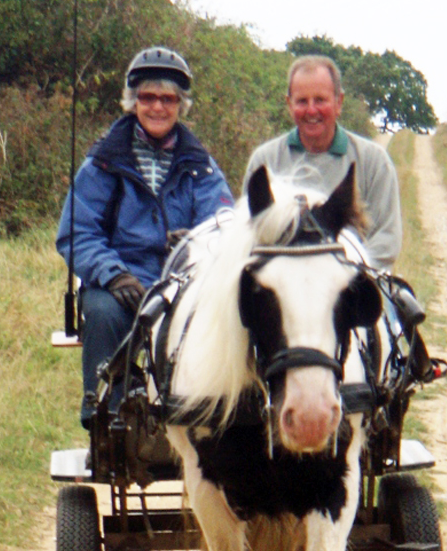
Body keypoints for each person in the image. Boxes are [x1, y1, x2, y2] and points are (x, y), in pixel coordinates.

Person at [56, 46, 234, 426]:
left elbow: (224, 226)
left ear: (180, 104)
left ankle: (207, 412)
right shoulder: (102, 162)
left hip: (184, 283)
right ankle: (106, 414)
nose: (157, 107)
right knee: (102, 312)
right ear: (133, 101)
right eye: (148, 97)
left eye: (167, 98)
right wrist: (113, 273)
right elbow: (76, 232)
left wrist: (193, 246)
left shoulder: (202, 167)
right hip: (121, 284)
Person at [243, 55, 402, 270]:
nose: (311, 110)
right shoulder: (263, 162)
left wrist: (340, 275)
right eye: (302, 101)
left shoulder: (375, 162)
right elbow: (248, 234)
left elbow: (386, 240)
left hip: (355, 286)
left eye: (320, 100)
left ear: (339, 102)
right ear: (289, 105)